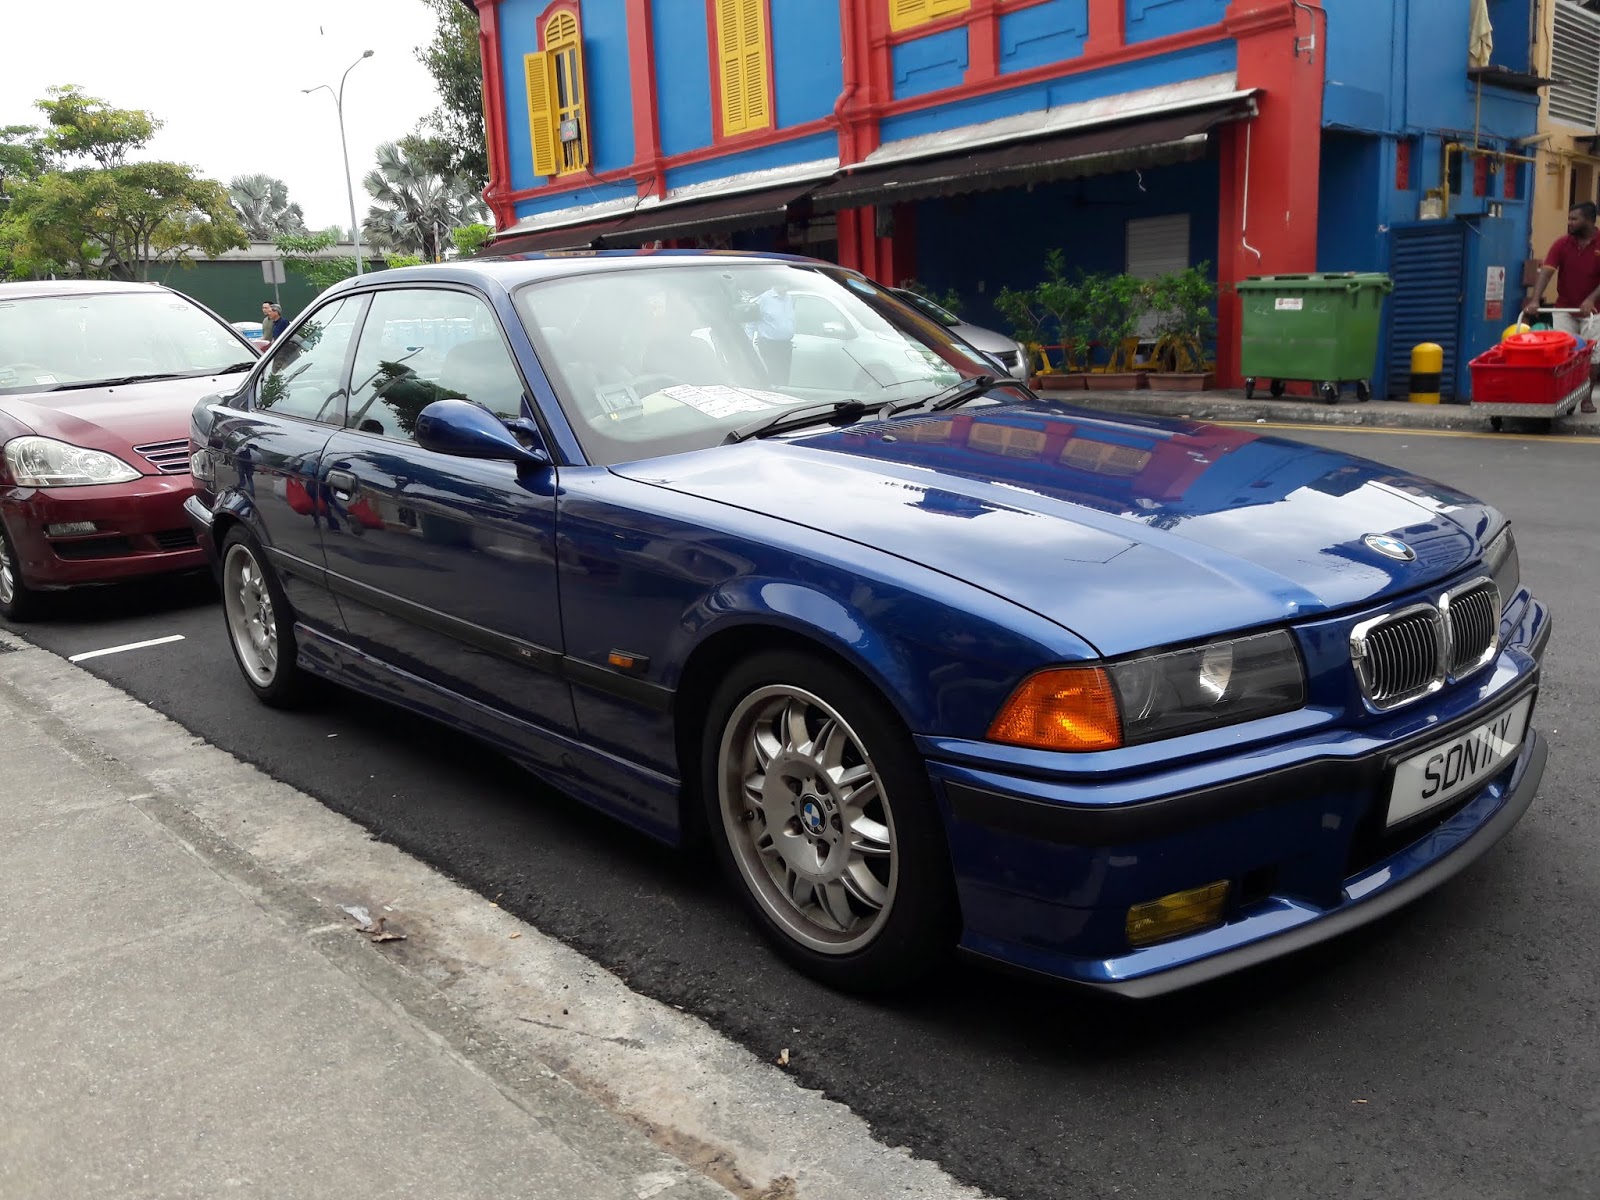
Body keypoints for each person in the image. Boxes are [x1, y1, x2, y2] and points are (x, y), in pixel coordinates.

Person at [1524, 201, 1600, 413]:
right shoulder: (1562, 244)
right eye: (1569, 218)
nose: (1570, 223)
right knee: (1564, 353)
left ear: (1590, 220)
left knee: (1592, 354)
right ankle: (1567, 396)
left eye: (1574, 219)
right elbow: (1547, 272)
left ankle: (1586, 399)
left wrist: (1591, 299)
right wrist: (1535, 300)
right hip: (1564, 308)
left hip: (1594, 311)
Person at [753, 280, 795, 386]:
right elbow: (752, 321)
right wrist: (749, 339)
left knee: (784, 377)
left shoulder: (789, 298)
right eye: (781, 282)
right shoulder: (764, 299)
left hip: (785, 345)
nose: (785, 286)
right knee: (772, 378)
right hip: (769, 345)